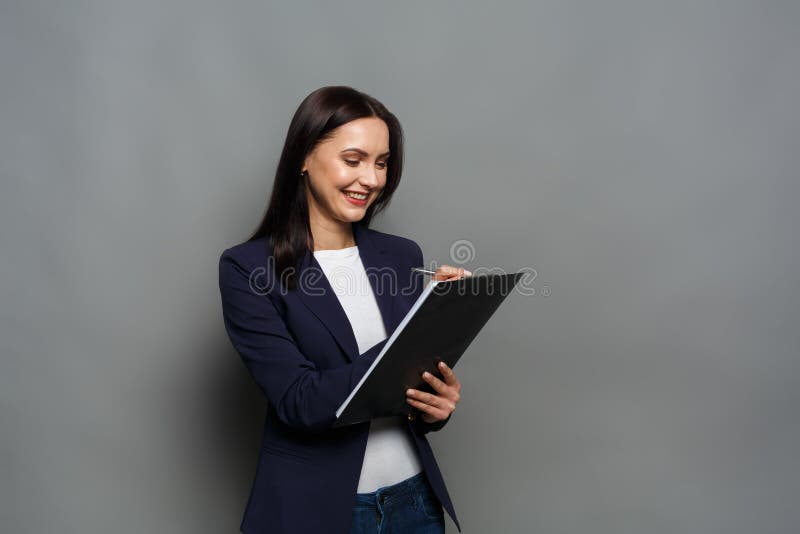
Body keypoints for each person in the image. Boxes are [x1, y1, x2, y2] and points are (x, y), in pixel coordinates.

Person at [218, 86, 468, 534]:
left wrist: (435, 405)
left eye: (381, 162)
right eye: (353, 160)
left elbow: (407, 385)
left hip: (415, 499)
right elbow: (300, 400)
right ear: (303, 158)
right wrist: (413, 334)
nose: (371, 179)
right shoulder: (248, 269)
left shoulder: (400, 256)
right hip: (321, 509)